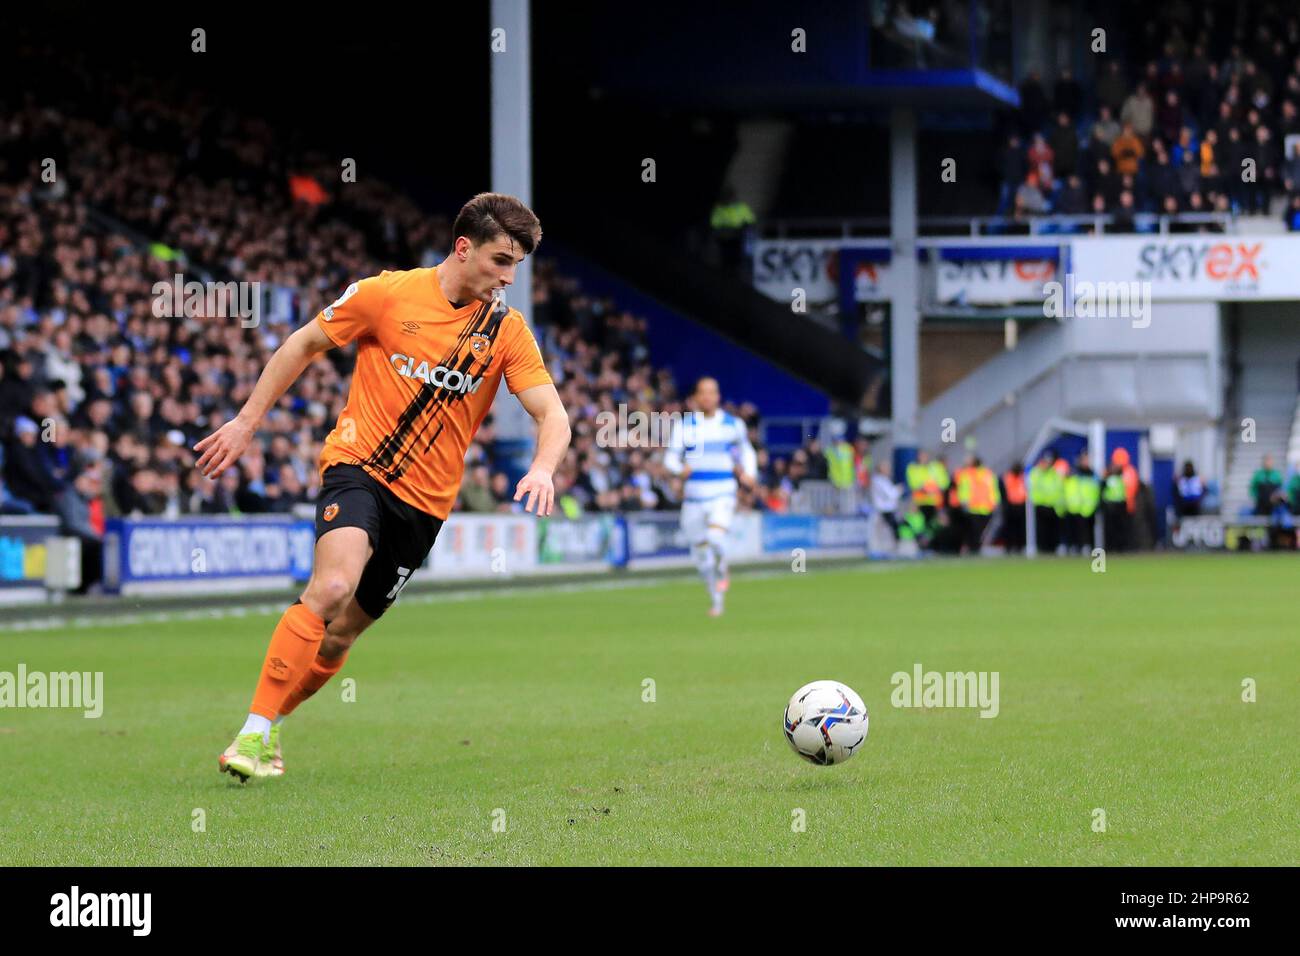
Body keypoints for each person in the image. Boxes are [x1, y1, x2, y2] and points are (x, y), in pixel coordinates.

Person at [199, 193, 570, 781]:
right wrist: (246, 422)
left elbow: (553, 415)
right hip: (358, 467)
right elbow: (303, 343)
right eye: (501, 260)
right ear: (463, 247)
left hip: (425, 505)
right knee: (333, 586)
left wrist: (543, 467)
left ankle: (269, 727)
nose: (507, 277)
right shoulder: (385, 294)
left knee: (340, 634)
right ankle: (251, 733)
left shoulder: (505, 331)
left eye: (516, 266)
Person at [663, 377, 757, 618]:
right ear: (695, 397)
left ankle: (723, 568)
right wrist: (678, 470)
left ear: (718, 396)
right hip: (694, 497)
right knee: (702, 557)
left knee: (715, 538)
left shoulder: (732, 424)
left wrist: (749, 474)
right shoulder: (685, 426)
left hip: (722, 492)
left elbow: (747, 451)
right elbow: (670, 458)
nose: (708, 397)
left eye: (712, 392)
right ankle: (716, 601)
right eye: (703, 393)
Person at [957, 456, 999, 554]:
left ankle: (975, 548)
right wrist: (963, 501)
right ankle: (973, 549)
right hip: (973, 507)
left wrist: (995, 501)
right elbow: (963, 488)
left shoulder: (986, 473)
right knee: (974, 530)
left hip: (983, 507)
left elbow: (993, 489)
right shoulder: (968, 473)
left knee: (979, 531)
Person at [1065, 452, 1100, 553]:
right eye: (1084, 460)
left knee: (1089, 529)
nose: (1086, 462)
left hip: (1090, 506)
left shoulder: (1093, 474)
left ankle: (1088, 546)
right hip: (1077, 506)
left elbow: (1096, 489)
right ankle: (1077, 546)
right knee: (1076, 529)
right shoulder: (1075, 474)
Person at [1028, 451, 1062, 553]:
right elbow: (1032, 488)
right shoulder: (1036, 473)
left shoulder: (1054, 473)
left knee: (1052, 530)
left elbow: (1058, 489)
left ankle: (1052, 548)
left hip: (1053, 506)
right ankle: (1042, 548)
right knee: (1042, 529)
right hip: (1040, 505)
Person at [1000, 462, 1027, 553]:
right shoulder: (1008, 477)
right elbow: (1003, 492)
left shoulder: (1022, 477)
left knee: (1019, 528)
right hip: (1010, 506)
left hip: (1020, 505)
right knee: (1009, 528)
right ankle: (1009, 547)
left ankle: (1019, 547)